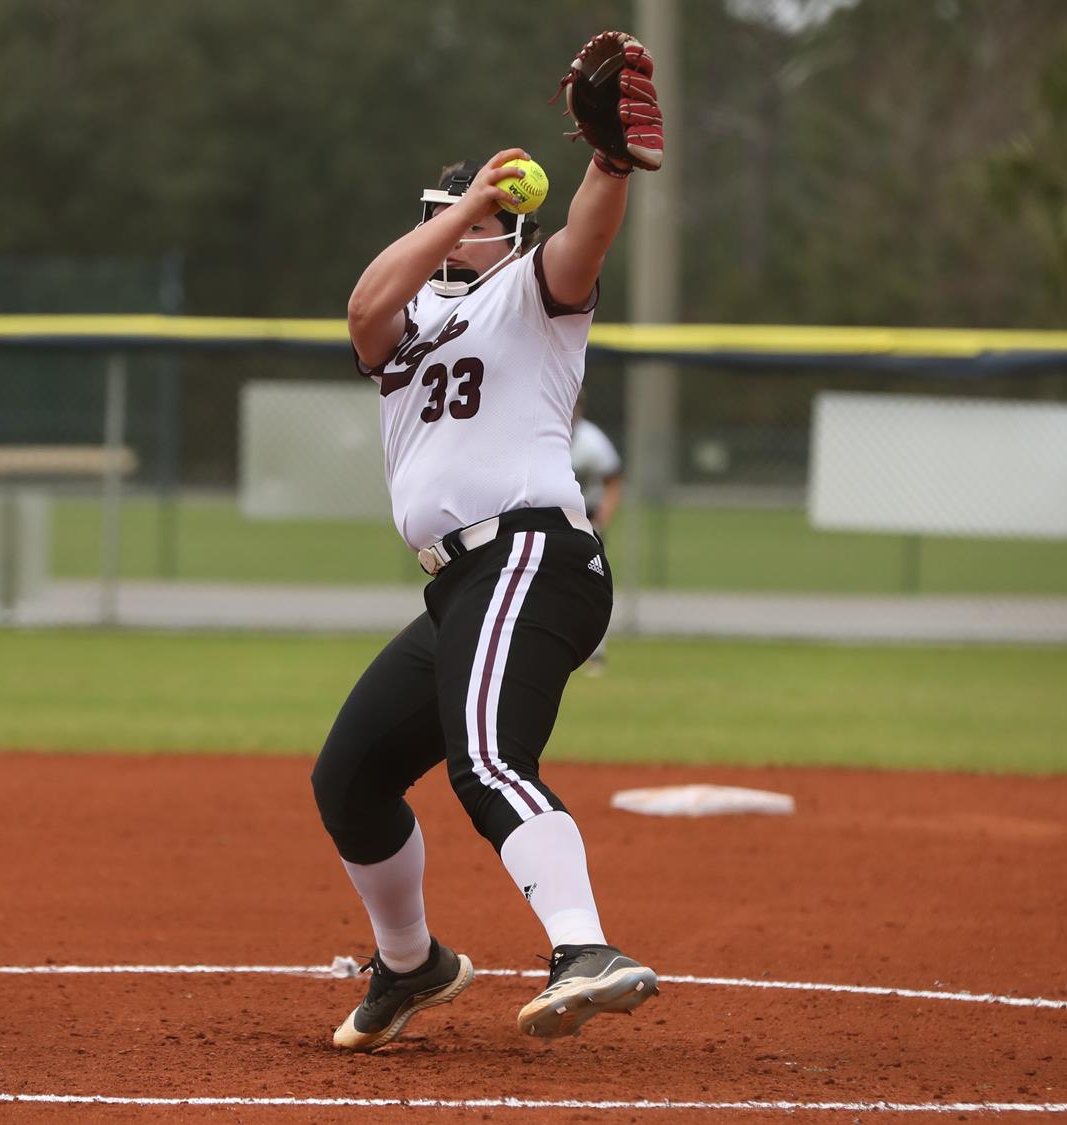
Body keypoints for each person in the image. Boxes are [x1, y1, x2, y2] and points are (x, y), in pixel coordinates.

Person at [311, 32, 664, 1052]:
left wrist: (604, 162)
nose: (448, 226)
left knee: (485, 759)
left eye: (468, 216)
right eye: (441, 215)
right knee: (349, 778)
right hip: (462, 580)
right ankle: (412, 964)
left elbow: (584, 242)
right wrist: (470, 206)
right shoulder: (409, 318)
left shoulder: (532, 293)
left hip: (528, 555)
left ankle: (583, 949)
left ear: (506, 232)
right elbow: (364, 308)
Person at [569, 402, 623, 674]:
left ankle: (596, 654)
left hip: (585, 518)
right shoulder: (536, 432)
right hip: (544, 517)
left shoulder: (592, 441)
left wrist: (601, 520)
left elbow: (613, 480)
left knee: (591, 585)